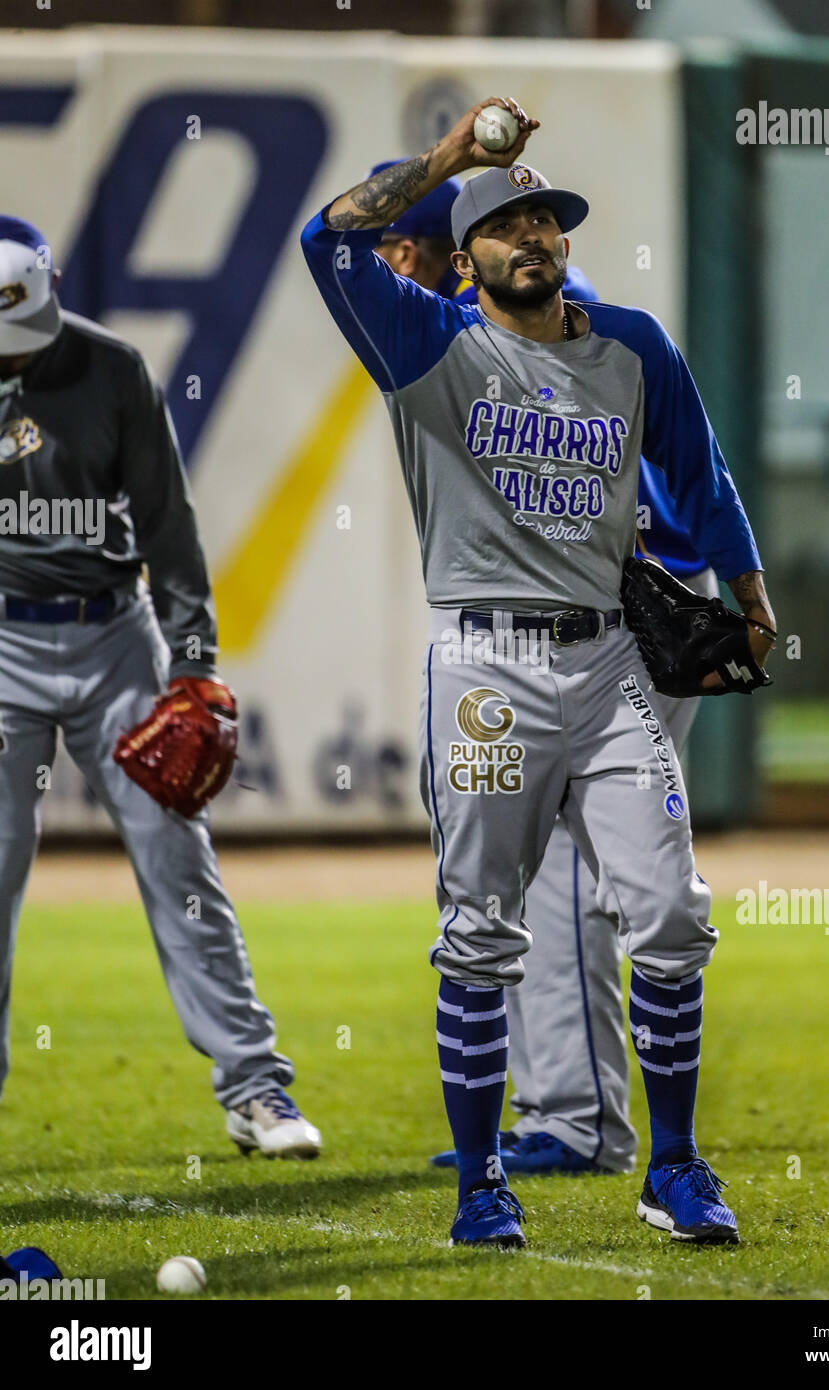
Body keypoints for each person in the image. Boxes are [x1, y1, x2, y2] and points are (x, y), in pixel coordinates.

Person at [301, 97, 775, 1247]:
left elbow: (700, 474)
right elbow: (331, 241)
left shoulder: (634, 346)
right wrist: (455, 155)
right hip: (485, 667)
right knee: (480, 931)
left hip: (611, 657)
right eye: (507, 224)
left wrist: (751, 595)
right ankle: (480, 1190)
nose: (533, 235)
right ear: (464, 260)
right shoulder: (430, 346)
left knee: (668, 913)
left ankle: (674, 1167)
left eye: (547, 222)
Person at [364, 163, 726, 1179]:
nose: (398, 262)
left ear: (451, 246)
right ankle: (573, 1111)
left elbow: (673, 479)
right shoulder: (473, 332)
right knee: (558, 878)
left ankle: (577, 1118)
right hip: (594, 613)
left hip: (634, 612)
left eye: (411, 246)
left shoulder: (573, 327)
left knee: (574, 873)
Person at [0, 216, 320, 1159]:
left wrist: (194, 664)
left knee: (182, 871)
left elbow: (169, 528)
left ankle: (255, 1090)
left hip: (115, 645)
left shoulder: (112, 370)